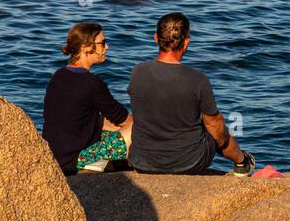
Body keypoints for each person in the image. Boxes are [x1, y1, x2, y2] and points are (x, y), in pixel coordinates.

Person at [127, 13, 254, 176]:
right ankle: (242, 163)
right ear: (186, 42)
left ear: (155, 38)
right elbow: (215, 127)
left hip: (142, 161)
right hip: (188, 163)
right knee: (214, 125)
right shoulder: (198, 80)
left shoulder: (137, 71)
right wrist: (221, 144)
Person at [42, 23, 132, 175]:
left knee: (107, 122)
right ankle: (93, 163)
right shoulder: (92, 83)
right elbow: (125, 120)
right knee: (139, 128)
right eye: (102, 43)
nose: (107, 47)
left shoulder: (59, 74)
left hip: (55, 153)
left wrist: (113, 126)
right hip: (74, 159)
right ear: (85, 48)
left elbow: (79, 117)